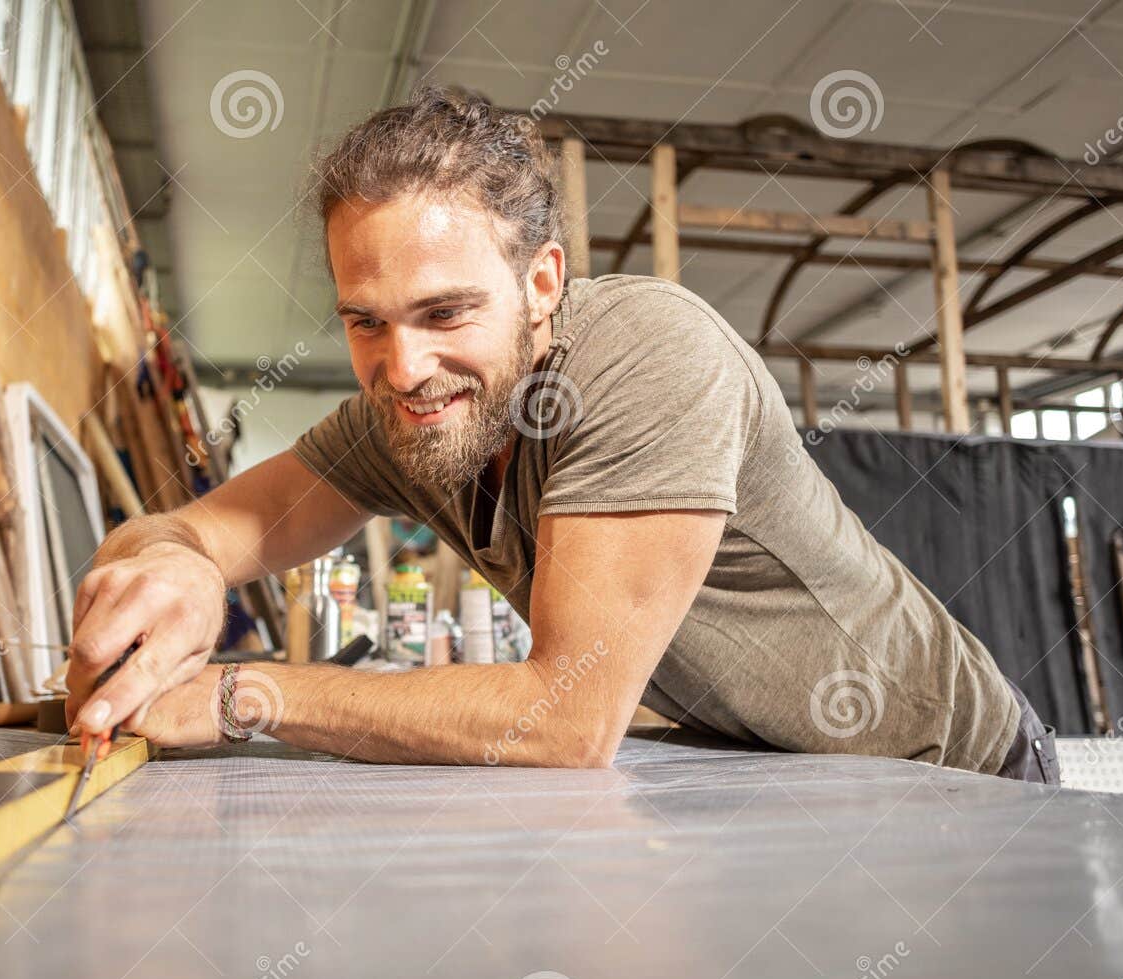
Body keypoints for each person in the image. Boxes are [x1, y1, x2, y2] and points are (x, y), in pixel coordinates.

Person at [66, 86, 1056, 782]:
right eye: (365, 321)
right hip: (784, 769)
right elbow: (184, 531)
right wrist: (178, 568)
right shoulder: (404, 421)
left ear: (541, 285)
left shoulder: (647, 356)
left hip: (949, 767)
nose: (403, 368)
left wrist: (248, 696)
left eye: (445, 313)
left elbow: (564, 717)